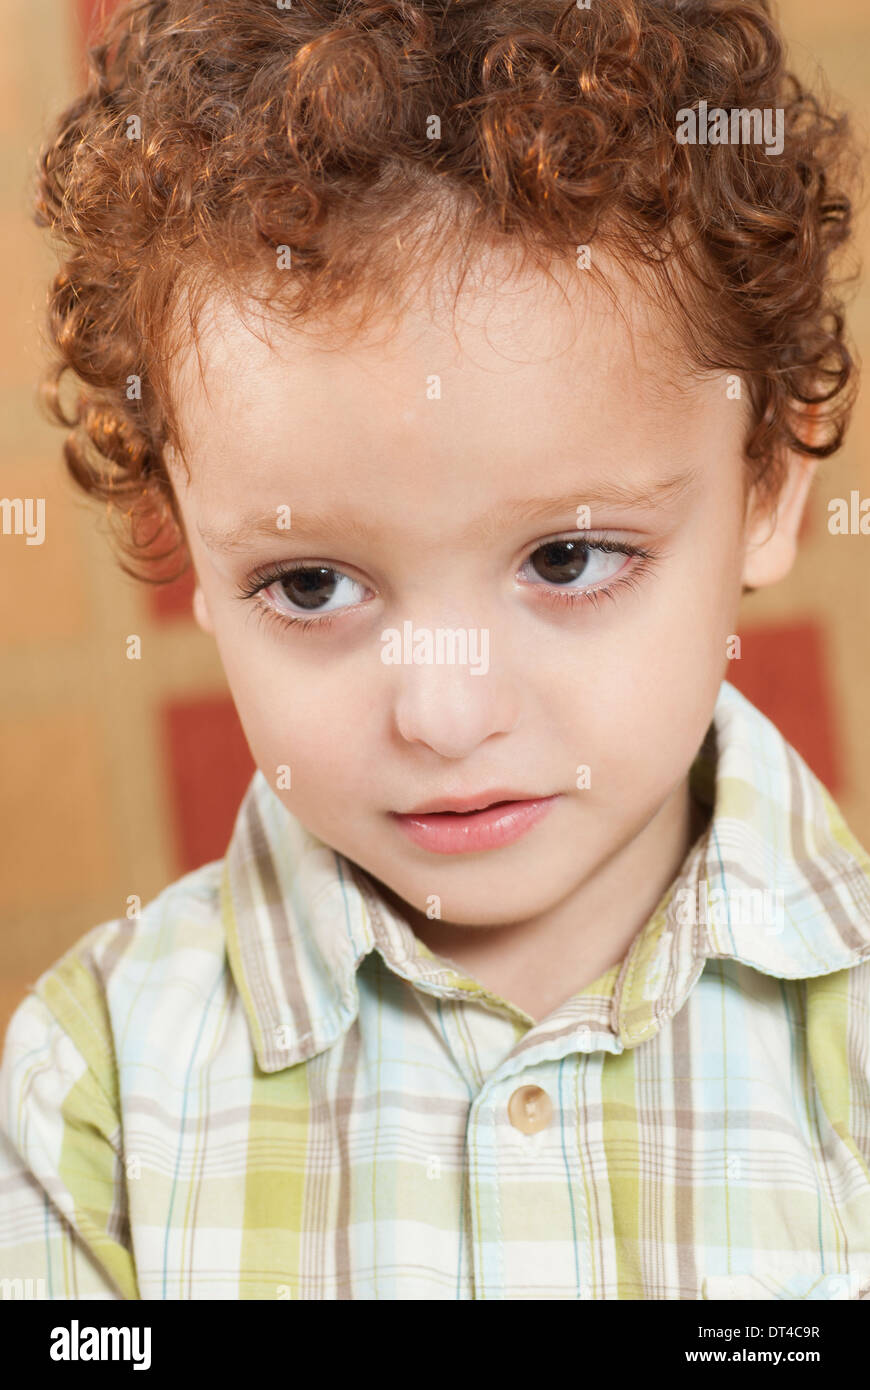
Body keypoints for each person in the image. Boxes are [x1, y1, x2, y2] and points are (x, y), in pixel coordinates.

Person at [2, 0, 868, 1300]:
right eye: (309, 581)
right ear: (181, 530)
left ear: (764, 488)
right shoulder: (97, 1091)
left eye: (567, 559)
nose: (446, 714)